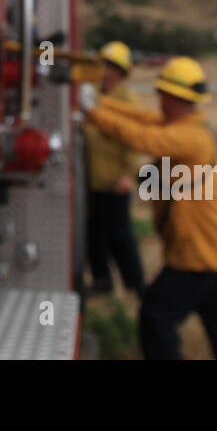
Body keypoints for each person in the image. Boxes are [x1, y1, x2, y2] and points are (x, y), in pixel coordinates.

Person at [85, 56, 217, 360]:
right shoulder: (183, 124)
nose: (159, 99)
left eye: (163, 93)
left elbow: (143, 137)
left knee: (156, 316)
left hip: (197, 255)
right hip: (208, 250)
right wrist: (97, 102)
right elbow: (138, 117)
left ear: (174, 98)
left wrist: (91, 111)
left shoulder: (189, 137)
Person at [81, 41, 147, 298]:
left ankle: (137, 285)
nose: (104, 71)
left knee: (120, 236)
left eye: (110, 66)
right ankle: (101, 280)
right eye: (102, 65)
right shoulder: (93, 97)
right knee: (94, 233)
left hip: (115, 182)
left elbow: (134, 141)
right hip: (93, 181)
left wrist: (128, 175)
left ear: (120, 72)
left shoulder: (127, 101)